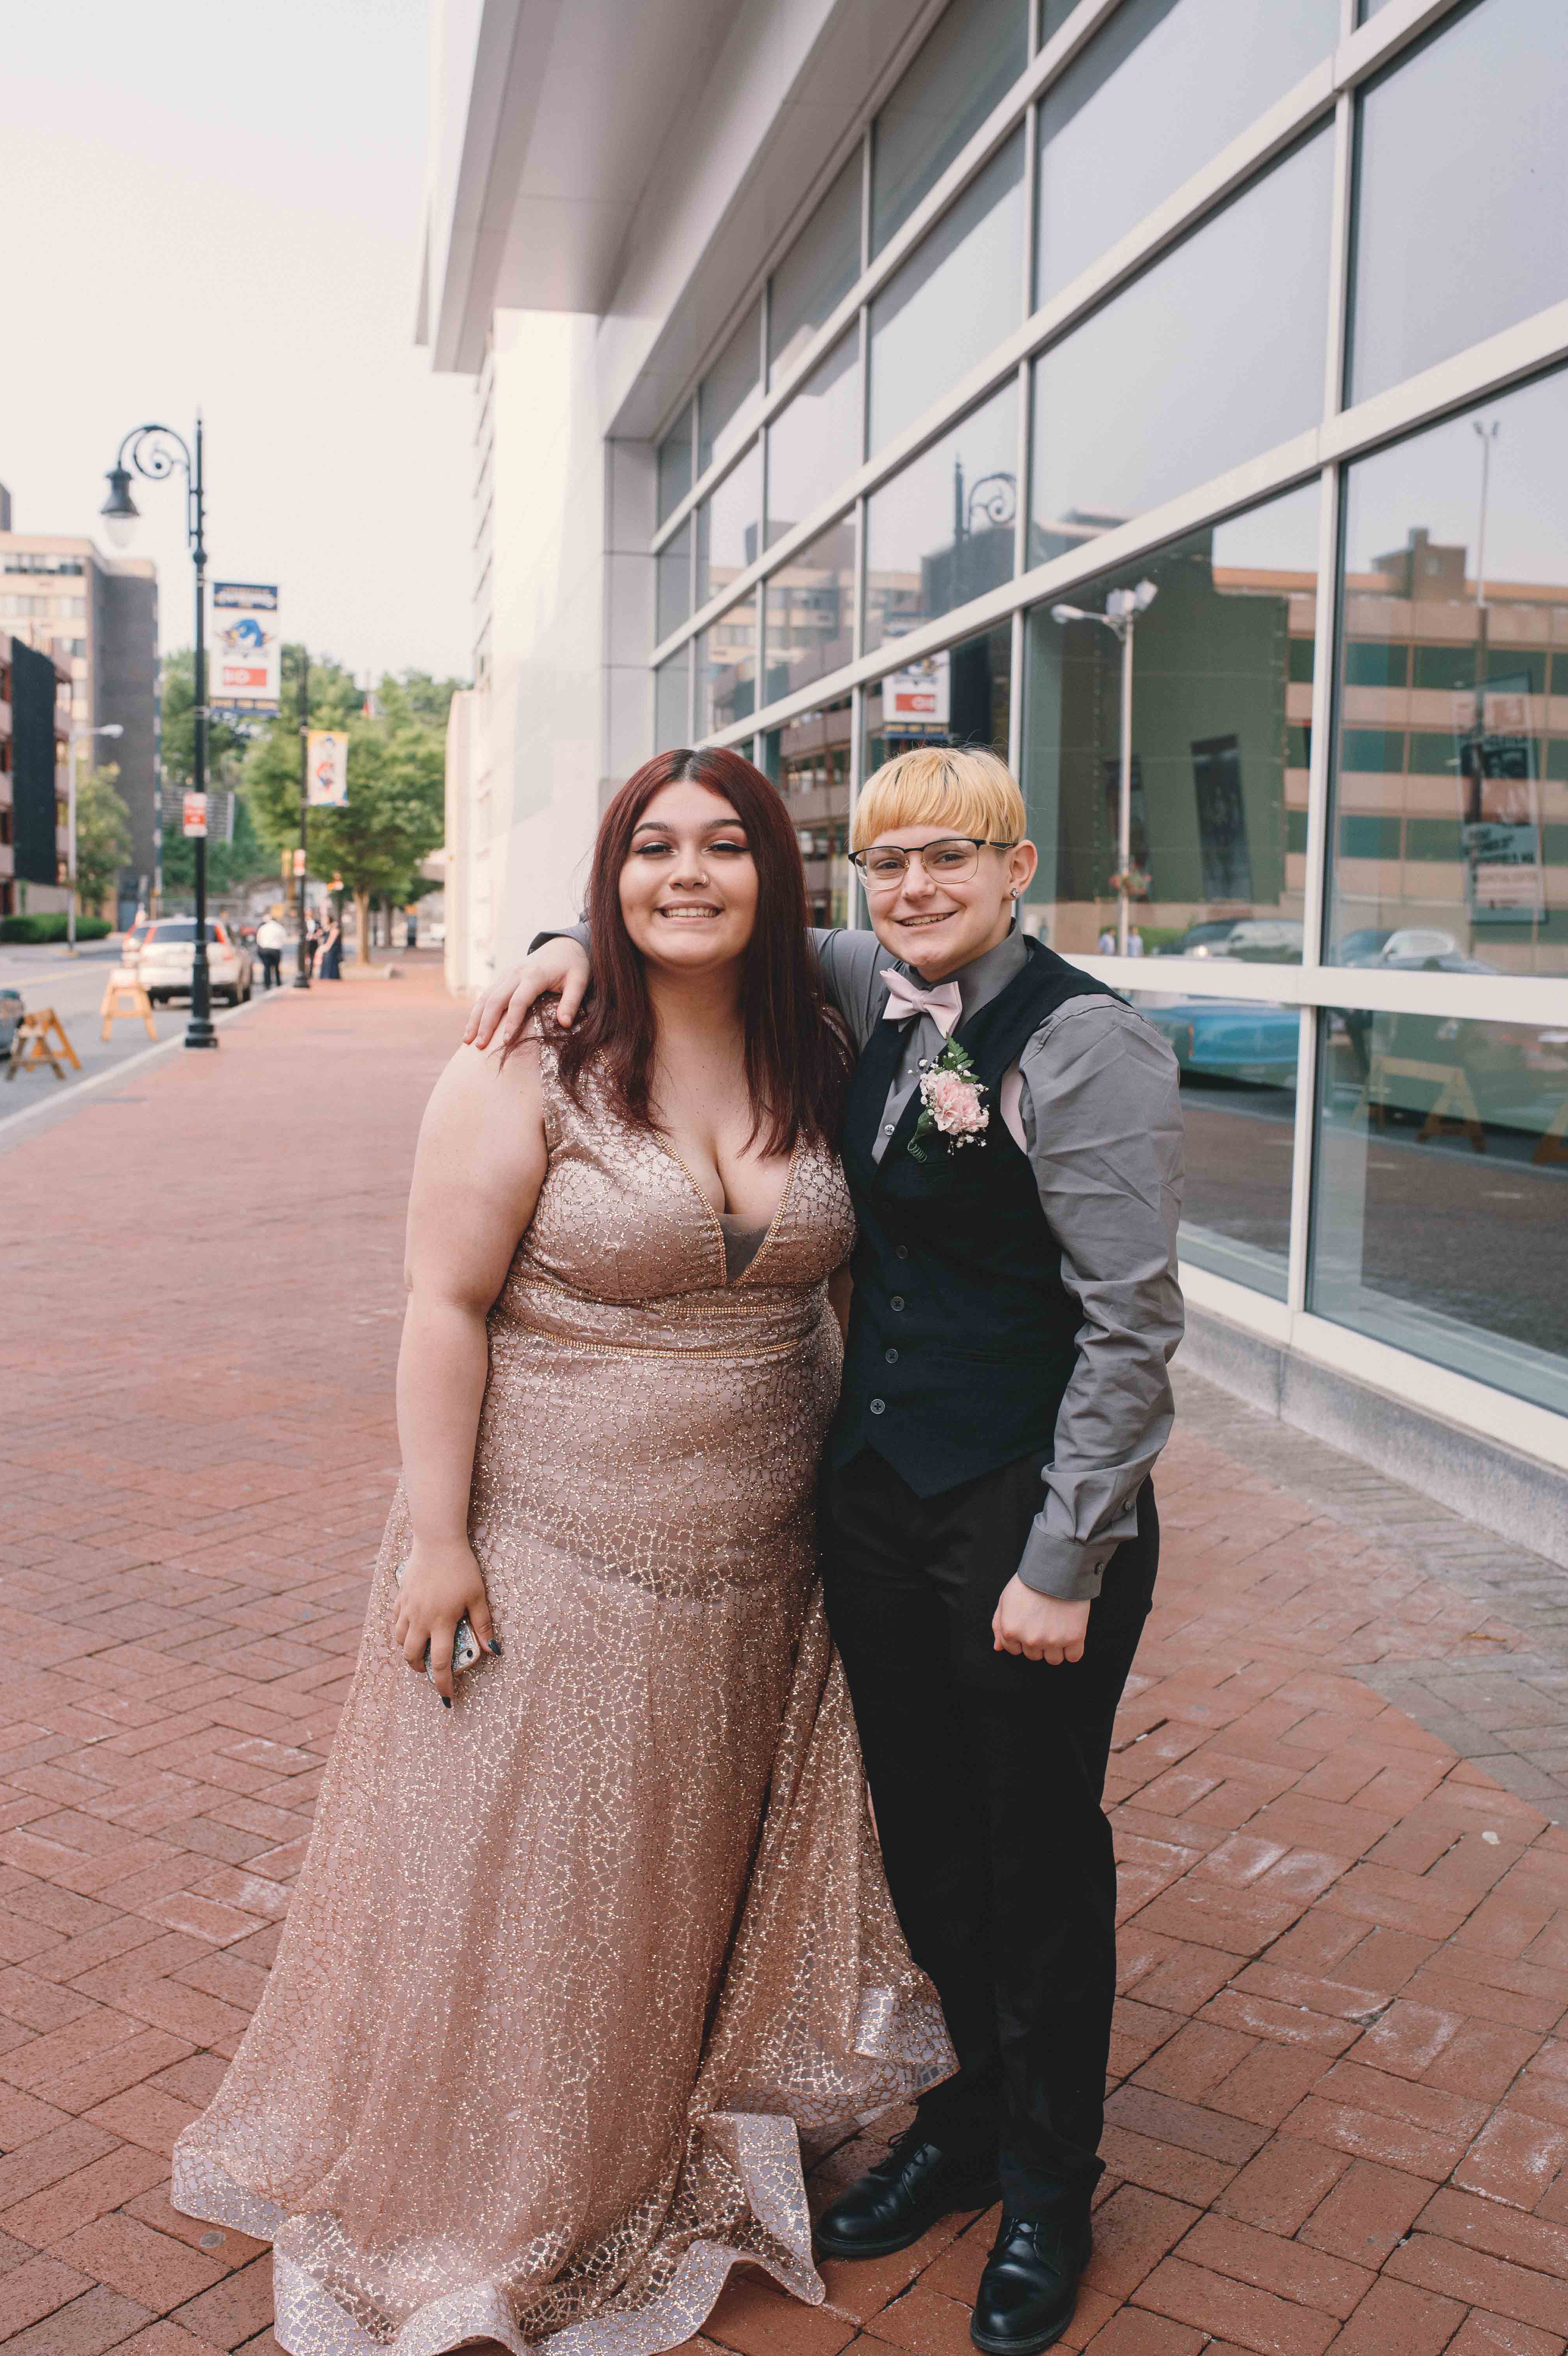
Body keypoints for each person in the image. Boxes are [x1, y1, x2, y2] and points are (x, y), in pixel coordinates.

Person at [171, 747, 951, 2356]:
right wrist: (440, 1540)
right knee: (531, 1878)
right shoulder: (528, 1061)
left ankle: (663, 2121)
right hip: (553, 1541)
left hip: (760, 1560)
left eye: (722, 847)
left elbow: (851, 1291)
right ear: (606, 879)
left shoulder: (823, 1052)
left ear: (770, 879)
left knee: (684, 1872)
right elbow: (444, 1306)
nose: (686, 875)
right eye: (650, 849)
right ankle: (506, 2187)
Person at [473, 744, 1184, 2356]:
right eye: (885, 863)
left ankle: (1051, 2186)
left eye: (951, 857)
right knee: (923, 1836)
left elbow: (1130, 1333)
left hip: (1022, 1506)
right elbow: (705, 913)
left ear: (1016, 869)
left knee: (1034, 1851)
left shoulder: (1083, 1045)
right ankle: (963, 2123)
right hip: (872, 1497)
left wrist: (1064, 1560)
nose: (914, 888)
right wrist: (559, 945)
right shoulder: (870, 981)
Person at [255, 908, 286, 990]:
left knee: (266, 967)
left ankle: (267, 984)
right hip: (276, 949)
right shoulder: (279, 927)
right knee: (277, 968)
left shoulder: (263, 928)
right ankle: (278, 983)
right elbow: (284, 938)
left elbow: (259, 939)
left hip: (265, 949)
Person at [316, 907, 342, 979]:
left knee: (331, 963)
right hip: (327, 949)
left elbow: (332, 939)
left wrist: (327, 947)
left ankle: (330, 977)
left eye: (325, 919)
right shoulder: (326, 928)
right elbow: (318, 935)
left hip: (332, 950)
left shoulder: (334, 928)